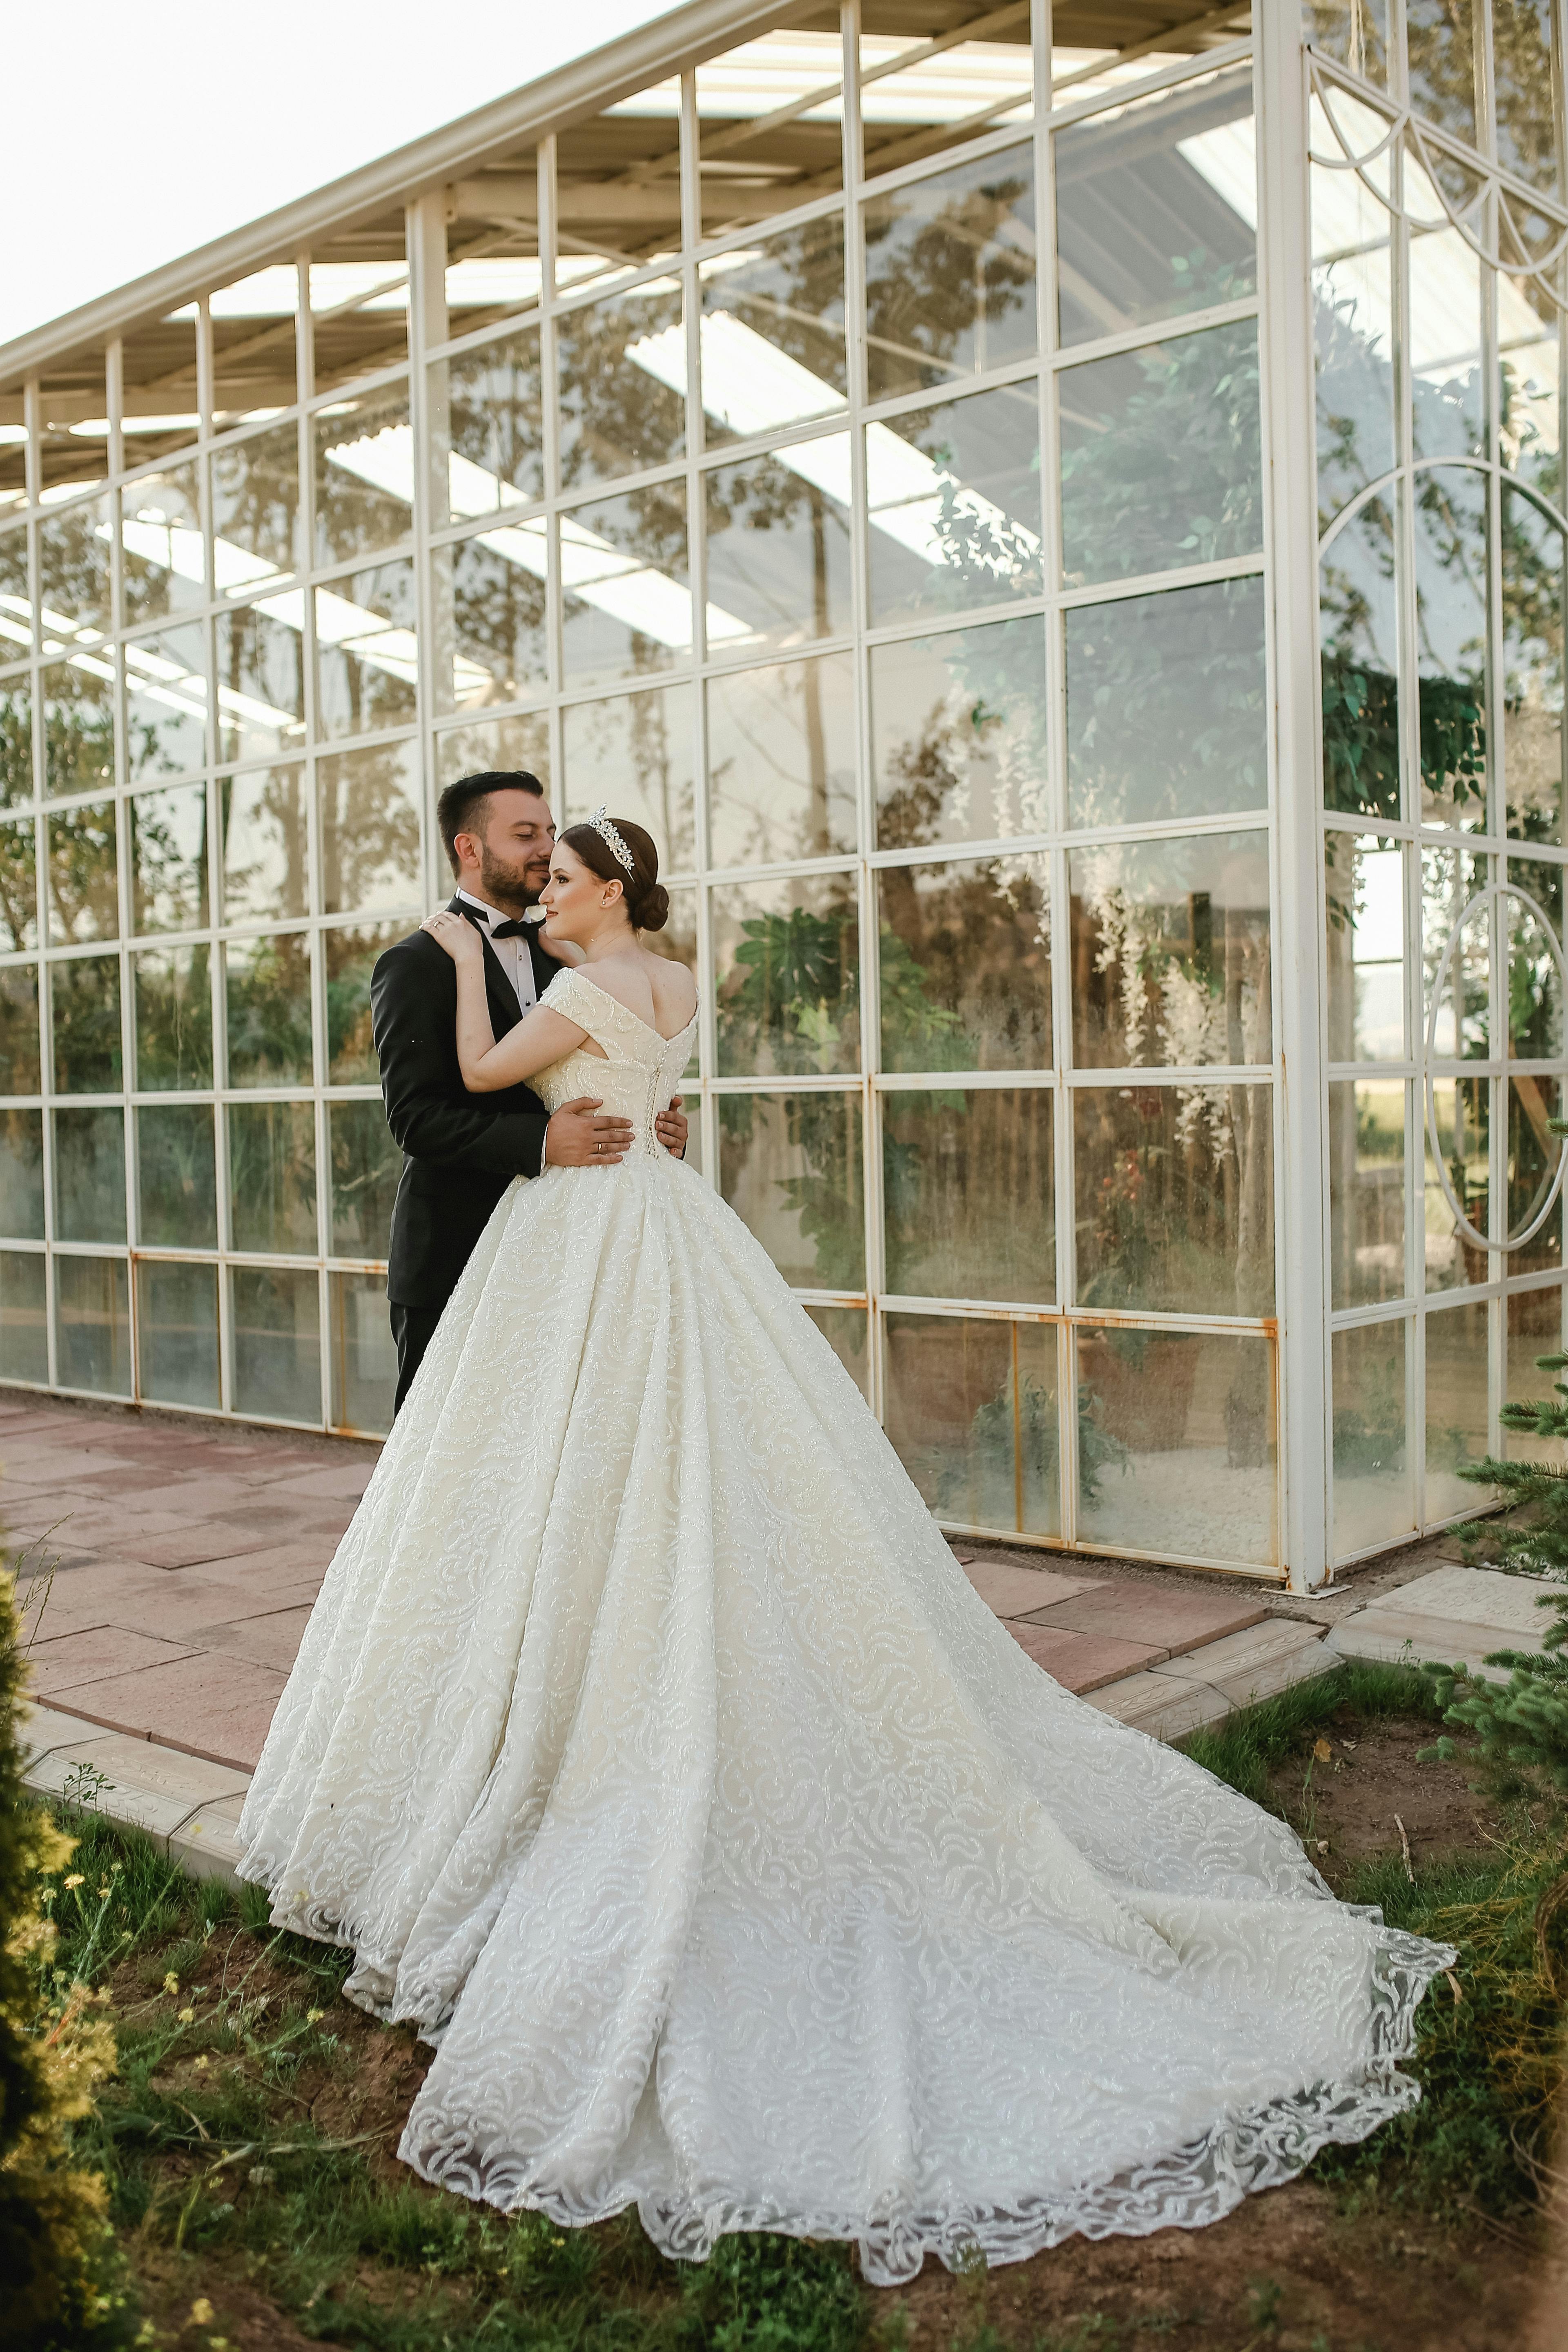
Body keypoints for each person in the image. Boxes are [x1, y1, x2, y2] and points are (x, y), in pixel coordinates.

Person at [241, 811, 1452, 2285]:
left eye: (561, 876)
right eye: (531, 870)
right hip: (668, 1229)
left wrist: (469, 961)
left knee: (593, 1481)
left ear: (605, 888)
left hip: (584, 1243)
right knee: (681, 1468)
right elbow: (601, 1078)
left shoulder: (549, 981)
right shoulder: (680, 980)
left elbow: (490, 1074)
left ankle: (605, 1702)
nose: (544, 890)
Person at [370, 770, 687, 1411]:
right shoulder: (416, 962)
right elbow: (416, 1119)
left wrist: (656, 1117)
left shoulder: (572, 955)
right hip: (456, 1249)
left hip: (571, 1256)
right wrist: (543, 1140)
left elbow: (613, 1059)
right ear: (469, 849)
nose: (546, 848)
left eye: (549, 831)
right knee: (445, 1456)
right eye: (525, 835)